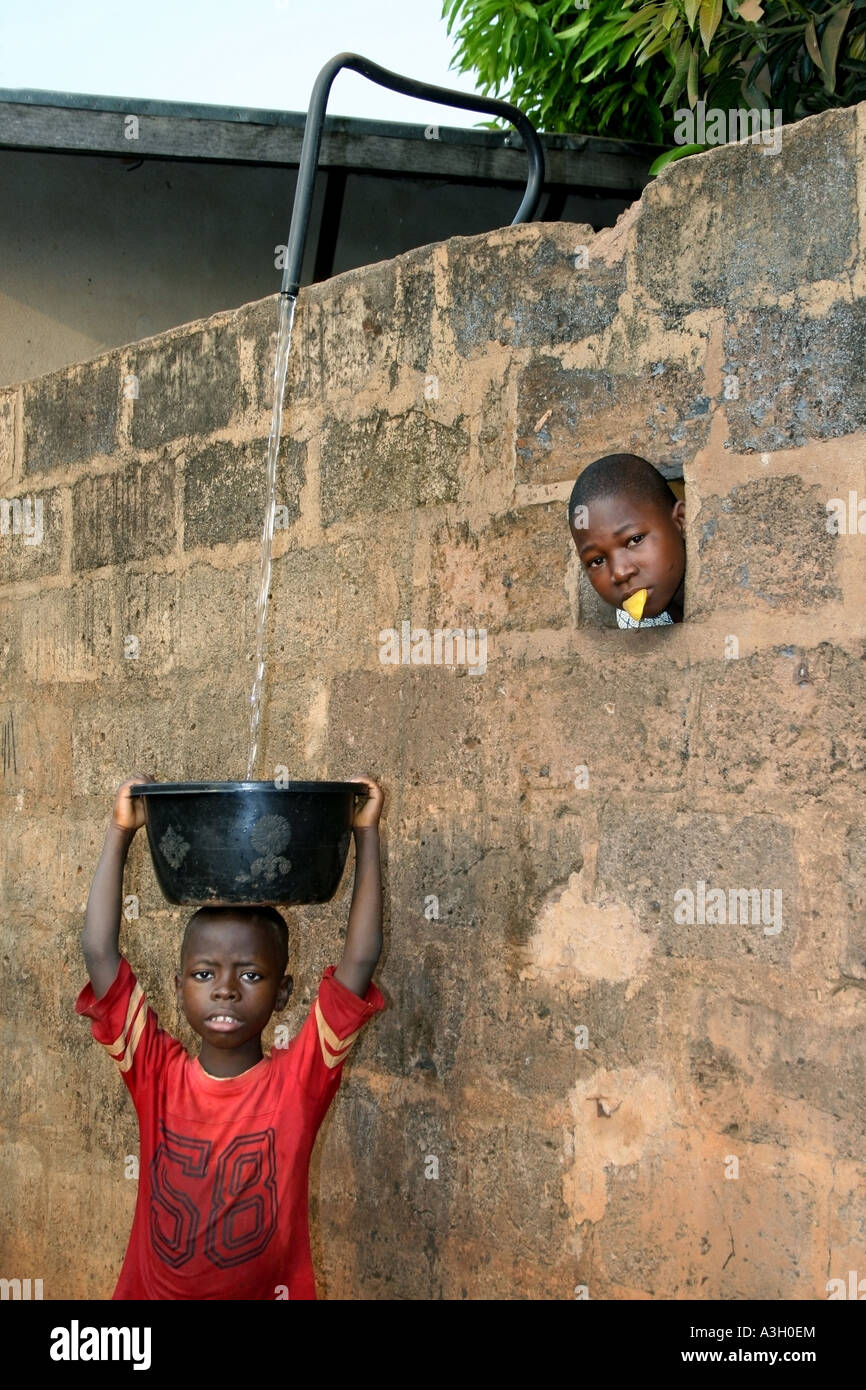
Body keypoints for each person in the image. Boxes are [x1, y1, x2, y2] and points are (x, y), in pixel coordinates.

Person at [76, 771, 385, 1301]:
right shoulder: (154, 1074)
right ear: (178, 987)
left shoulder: (298, 1085)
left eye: (250, 975)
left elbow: (360, 959)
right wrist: (120, 830)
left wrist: (365, 832)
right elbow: (98, 952)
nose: (225, 991)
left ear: (284, 992)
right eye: (203, 974)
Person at [568, 453, 686, 627]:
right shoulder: (628, 623)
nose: (620, 573)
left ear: (681, 521)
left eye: (635, 539)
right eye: (597, 560)